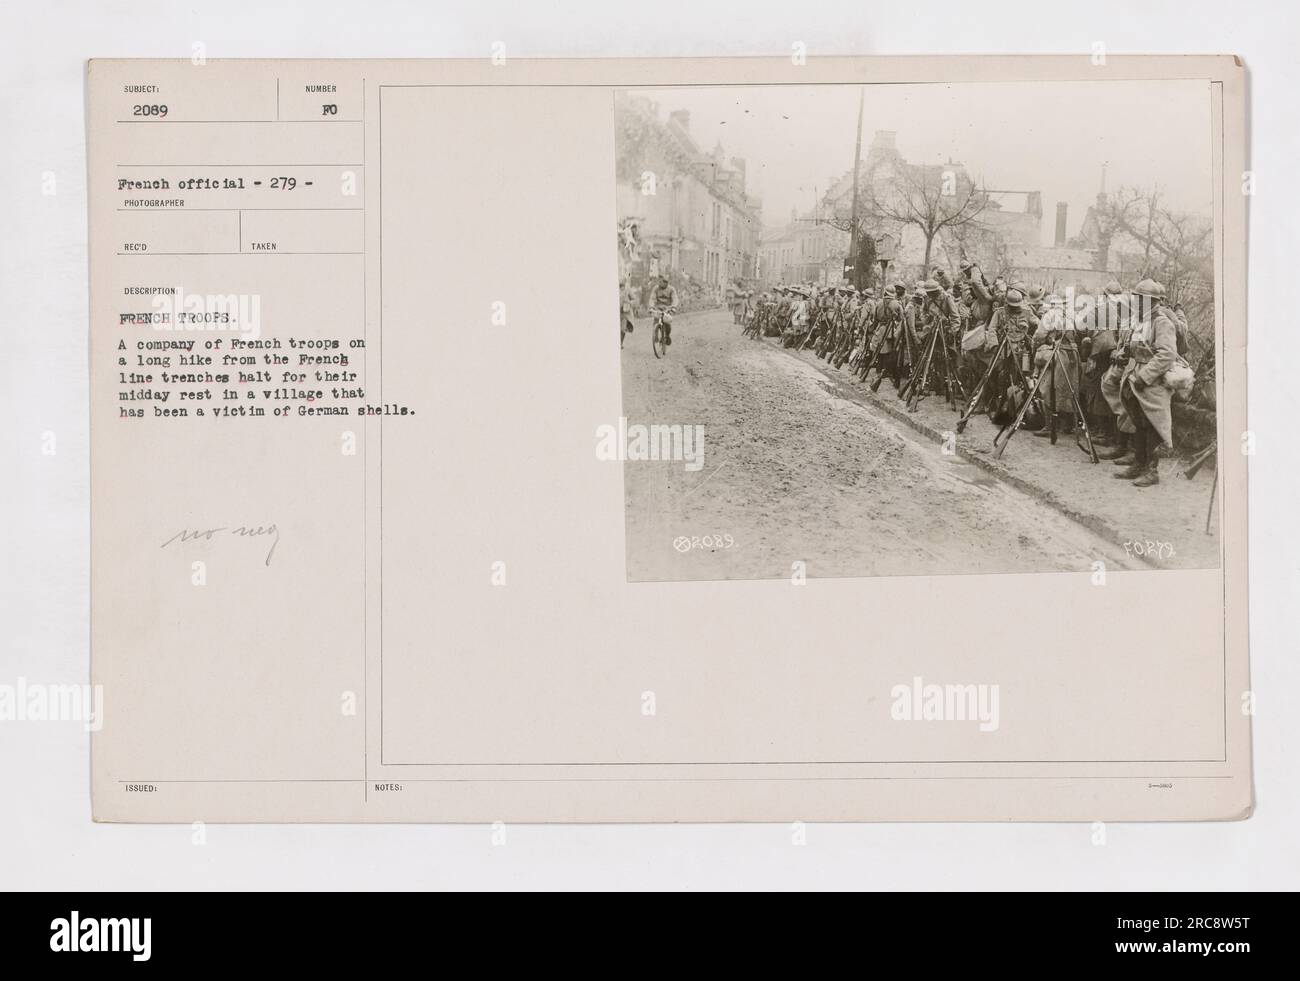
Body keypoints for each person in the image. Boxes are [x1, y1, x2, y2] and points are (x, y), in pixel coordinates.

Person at [1099, 279, 1179, 486]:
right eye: (1137, 299)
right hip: (1135, 376)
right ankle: (1138, 463)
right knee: (1139, 422)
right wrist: (1123, 354)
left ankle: (1152, 471)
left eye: (1142, 300)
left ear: (1152, 302)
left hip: (1153, 381)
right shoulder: (1140, 321)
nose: (1137, 303)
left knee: (1153, 424)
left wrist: (1145, 376)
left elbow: (1167, 354)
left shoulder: (1162, 322)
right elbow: (1132, 345)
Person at [649, 275, 678, 346]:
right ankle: (655, 335)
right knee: (656, 319)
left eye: (666, 282)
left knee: (667, 323)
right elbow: (652, 298)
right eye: (661, 282)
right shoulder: (656, 288)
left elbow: (675, 299)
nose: (663, 283)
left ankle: (667, 335)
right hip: (658, 307)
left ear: (667, 283)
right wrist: (651, 307)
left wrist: (674, 307)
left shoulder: (671, 289)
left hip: (668, 308)